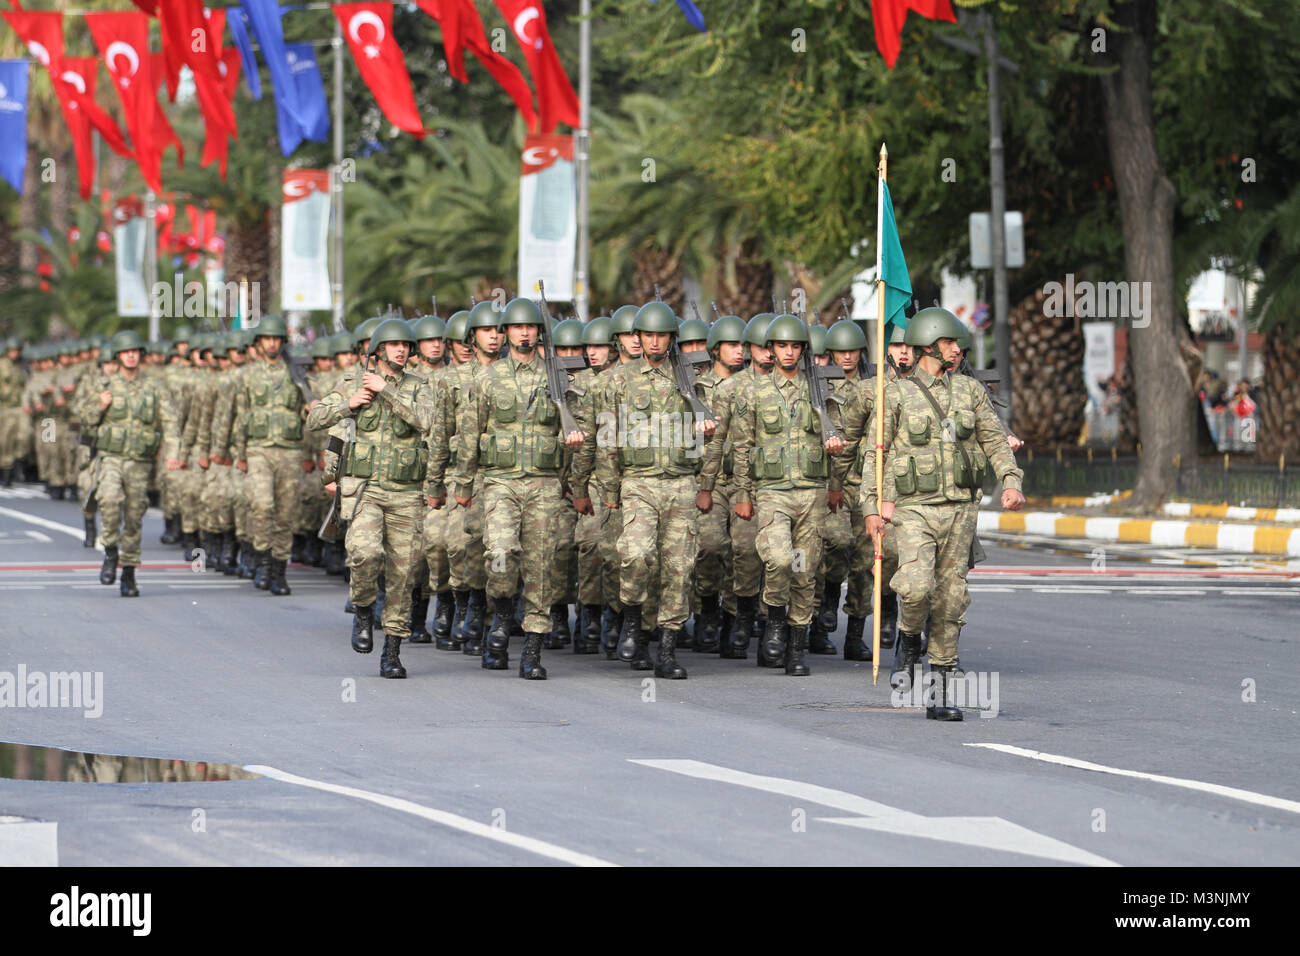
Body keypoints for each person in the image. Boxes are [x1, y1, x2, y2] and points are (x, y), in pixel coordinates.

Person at [863, 308, 1025, 720]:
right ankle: (909, 636)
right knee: (916, 588)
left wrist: (1010, 480)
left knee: (951, 601)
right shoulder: (896, 394)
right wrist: (873, 506)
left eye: (958, 344)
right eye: (951, 343)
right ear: (929, 344)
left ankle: (940, 692)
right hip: (913, 510)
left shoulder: (971, 391)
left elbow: (993, 438)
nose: (957, 349)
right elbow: (874, 453)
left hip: (961, 510)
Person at [452, 297, 588, 680]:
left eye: (531, 327)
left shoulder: (558, 377)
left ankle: (532, 647)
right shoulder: (487, 378)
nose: (524, 332)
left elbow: (584, 426)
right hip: (500, 483)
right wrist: (463, 482)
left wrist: (574, 438)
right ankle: (500, 616)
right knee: (500, 553)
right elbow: (469, 433)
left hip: (545, 484)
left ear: (539, 332)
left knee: (541, 565)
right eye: (517, 327)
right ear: (506, 332)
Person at [311, 319, 435, 678]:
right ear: (378, 349)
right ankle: (363, 609)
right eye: (393, 344)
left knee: (404, 571)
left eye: (405, 345)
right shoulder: (353, 383)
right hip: (365, 490)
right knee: (364, 554)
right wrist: (348, 405)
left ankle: (393, 650)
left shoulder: (420, 387)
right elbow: (315, 420)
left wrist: (387, 391)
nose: (400, 350)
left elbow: (428, 422)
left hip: (407, 492)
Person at [598, 301, 710, 677]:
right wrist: (609, 490)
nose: (656, 341)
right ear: (638, 338)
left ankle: (666, 650)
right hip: (638, 483)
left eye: (663, 334)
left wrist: (705, 436)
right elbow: (607, 438)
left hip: (681, 483)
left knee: (679, 568)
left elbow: (713, 433)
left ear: (672, 338)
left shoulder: (692, 378)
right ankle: (632, 617)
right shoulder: (618, 379)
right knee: (636, 555)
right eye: (649, 334)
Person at [730, 314, 843, 675]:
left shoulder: (822, 391)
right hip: (772, 493)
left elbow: (839, 441)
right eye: (782, 345)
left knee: (805, 570)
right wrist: (743, 494)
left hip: (812, 492)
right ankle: (774, 622)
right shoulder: (754, 391)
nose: (789, 352)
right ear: (771, 350)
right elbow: (743, 446)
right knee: (779, 560)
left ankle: (796, 646)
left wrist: (836, 484)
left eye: (796, 346)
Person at [88, 330, 179, 597]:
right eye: (125, 352)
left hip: (140, 461)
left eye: (135, 351)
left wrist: (173, 452)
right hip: (112, 458)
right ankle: (110, 552)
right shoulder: (104, 385)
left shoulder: (154, 387)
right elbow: (85, 421)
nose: (130, 355)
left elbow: (170, 422)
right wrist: (99, 407)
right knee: (110, 501)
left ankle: (128, 572)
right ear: (118, 356)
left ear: (141, 355)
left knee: (135, 516)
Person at [231, 315, 312, 596]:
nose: (272, 343)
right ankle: (263, 560)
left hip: (289, 450)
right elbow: (241, 416)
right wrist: (240, 452)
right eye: (267, 338)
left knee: (286, 513)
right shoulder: (248, 375)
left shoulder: (297, 373)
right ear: (258, 343)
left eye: (276, 338)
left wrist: (308, 409)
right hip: (258, 449)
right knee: (262, 506)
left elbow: (309, 412)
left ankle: (278, 570)